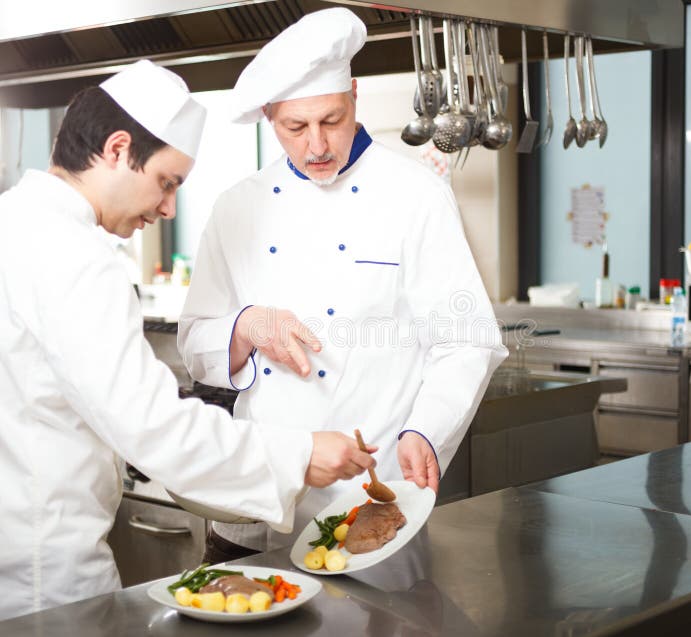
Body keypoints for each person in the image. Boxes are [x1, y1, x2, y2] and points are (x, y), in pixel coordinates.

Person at [0, 59, 375, 621]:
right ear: (118, 149)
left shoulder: (13, 220)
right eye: (166, 182)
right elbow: (153, 427)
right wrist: (299, 455)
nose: (168, 208)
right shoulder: (76, 258)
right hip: (43, 578)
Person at [178, 8, 507, 560]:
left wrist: (426, 430)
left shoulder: (416, 196)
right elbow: (194, 343)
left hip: (367, 507)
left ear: (354, 96)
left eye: (331, 120)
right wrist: (245, 327)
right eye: (294, 127)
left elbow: (466, 339)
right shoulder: (237, 207)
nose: (317, 146)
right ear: (268, 117)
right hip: (257, 506)